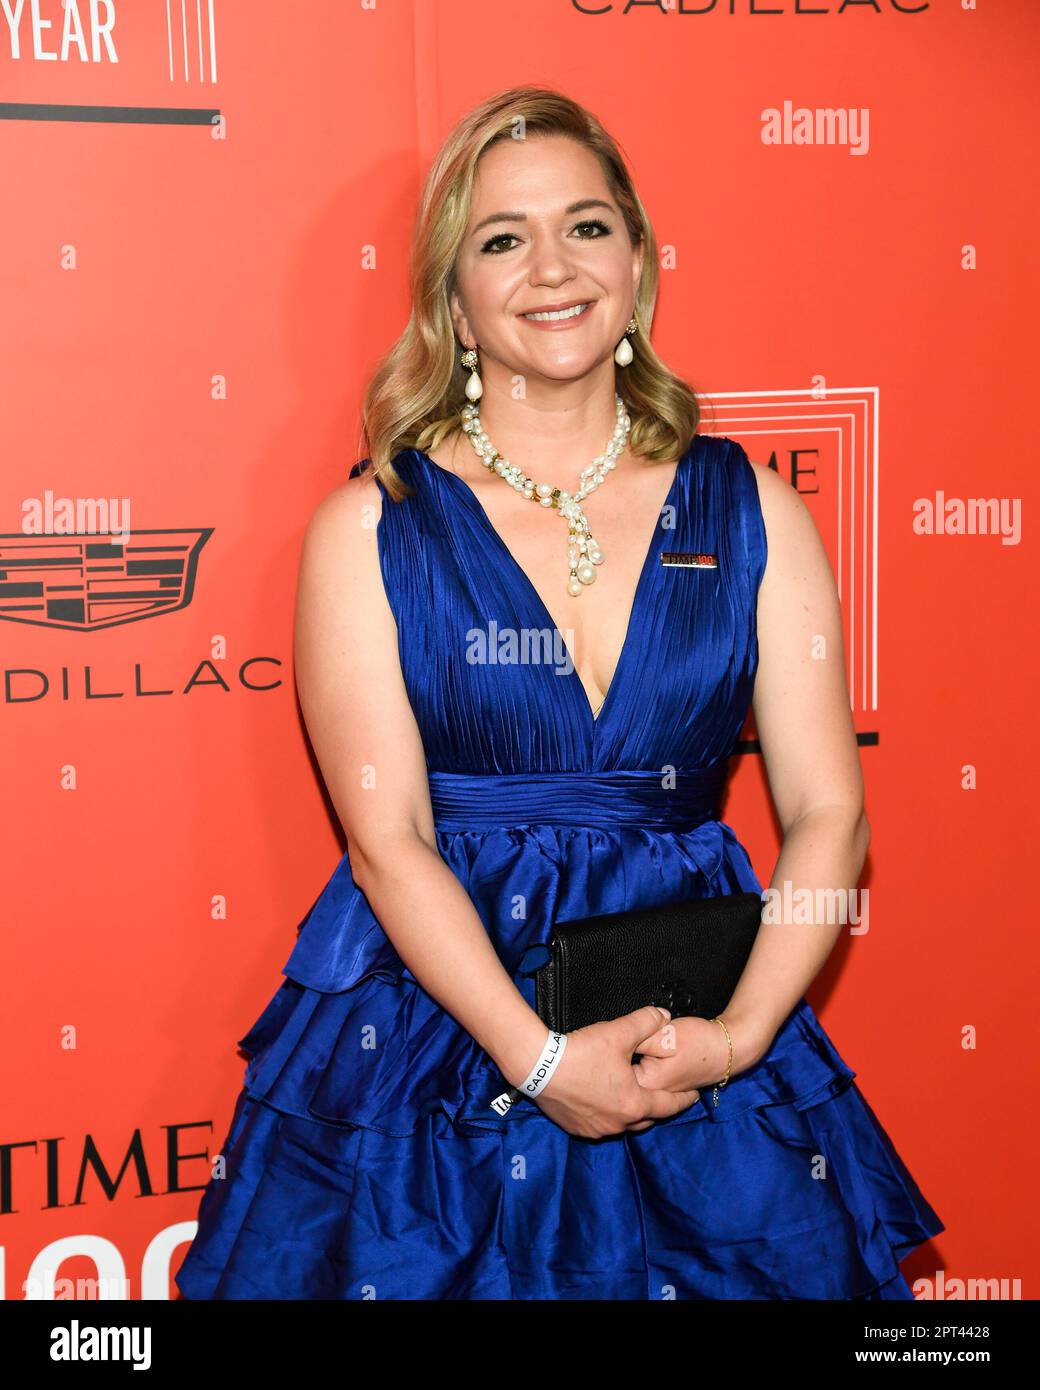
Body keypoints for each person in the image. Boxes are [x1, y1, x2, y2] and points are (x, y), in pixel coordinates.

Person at [175, 85, 943, 1301]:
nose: (551, 267)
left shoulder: (752, 511)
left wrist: (739, 1036)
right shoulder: (369, 529)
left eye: (586, 226)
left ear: (636, 262)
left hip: (692, 1033)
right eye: (501, 238)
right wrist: (536, 1062)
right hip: (438, 1039)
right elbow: (387, 843)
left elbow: (828, 814)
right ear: (453, 298)